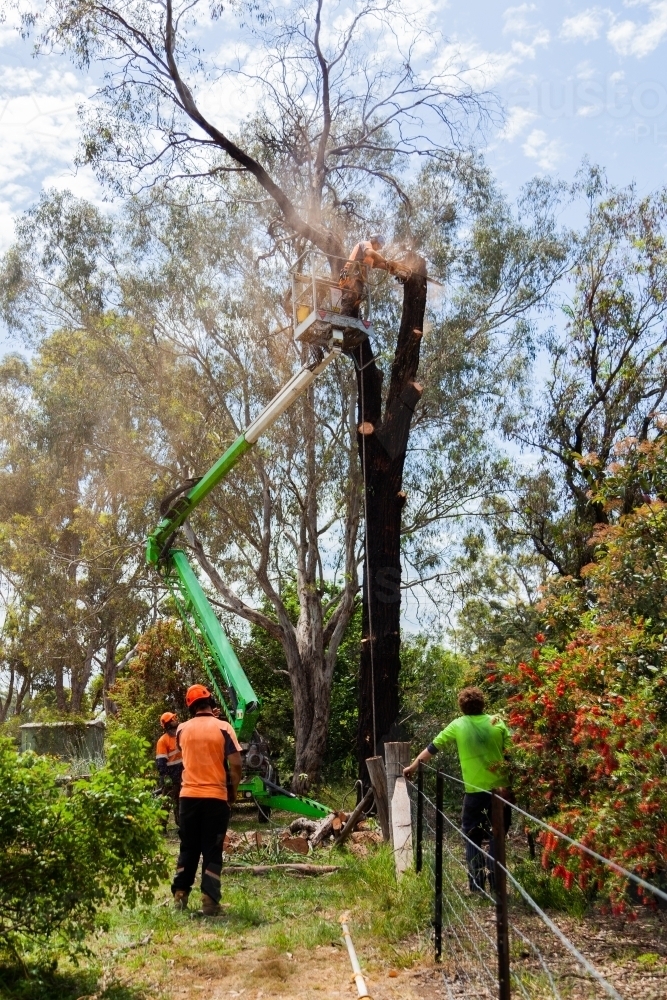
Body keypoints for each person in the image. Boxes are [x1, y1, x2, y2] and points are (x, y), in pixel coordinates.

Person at [403, 686, 511, 893]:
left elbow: (432, 748)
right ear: (482, 704)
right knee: (498, 834)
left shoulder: (458, 724)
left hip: (474, 793)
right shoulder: (497, 721)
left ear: (462, 706)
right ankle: (496, 878)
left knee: (472, 836)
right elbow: (510, 753)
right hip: (501, 791)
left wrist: (413, 767)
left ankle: (477, 885)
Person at [171, 684, 243, 916]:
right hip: (215, 798)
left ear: (190, 707)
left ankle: (180, 895)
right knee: (212, 850)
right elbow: (236, 763)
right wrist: (232, 790)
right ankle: (210, 902)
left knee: (188, 847)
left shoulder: (181, 730)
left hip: (188, 798)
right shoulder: (224, 727)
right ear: (211, 703)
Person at [339, 234, 397, 317]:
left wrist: (394, 268)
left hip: (358, 279)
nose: (378, 248)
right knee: (351, 296)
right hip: (350, 275)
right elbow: (371, 252)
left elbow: (383, 265)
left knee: (356, 302)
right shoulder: (366, 244)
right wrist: (385, 260)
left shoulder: (371, 259)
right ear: (373, 240)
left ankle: (353, 323)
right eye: (378, 245)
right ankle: (343, 318)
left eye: (380, 247)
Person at [155, 712, 183, 826]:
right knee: (166, 802)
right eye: (173, 718)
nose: (176, 719)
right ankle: (162, 826)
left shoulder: (180, 736)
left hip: (180, 774)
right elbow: (161, 762)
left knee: (180, 801)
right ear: (169, 723)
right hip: (169, 776)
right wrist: (166, 777)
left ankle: (180, 823)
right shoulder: (163, 741)